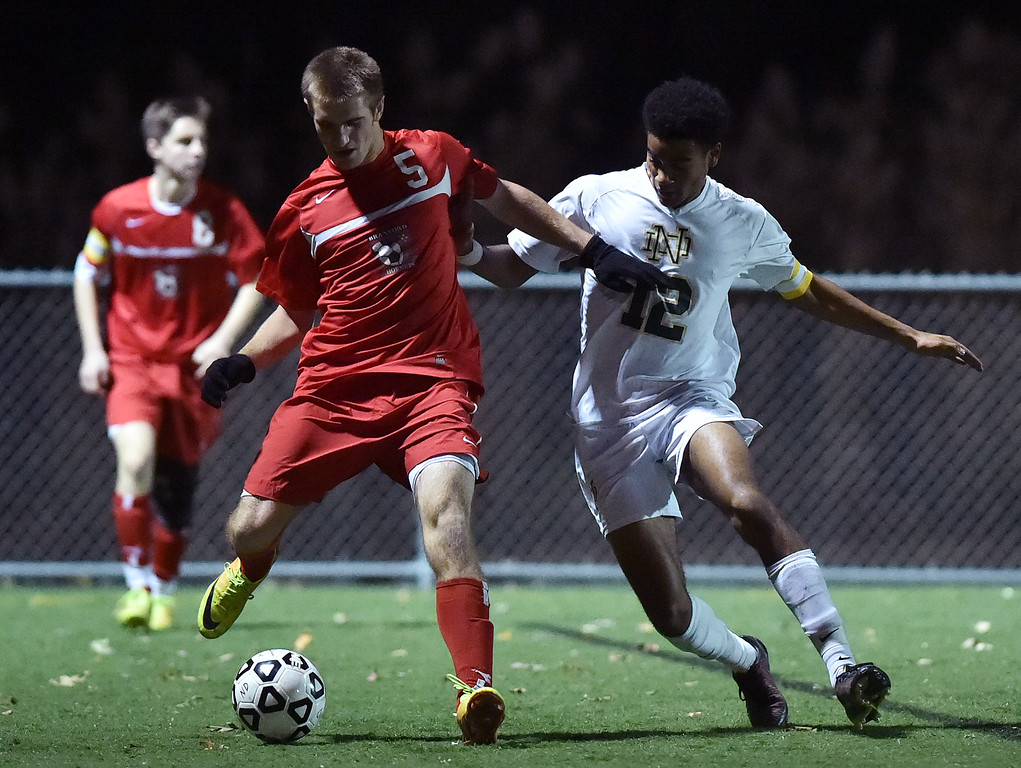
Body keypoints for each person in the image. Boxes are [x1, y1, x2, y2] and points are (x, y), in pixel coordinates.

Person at [464, 76, 984, 729]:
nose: (662, 176)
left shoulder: (741, 220)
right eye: (653, 158)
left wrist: (907, 335)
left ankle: (842, 666)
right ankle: (747, 660)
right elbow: (510, 266)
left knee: (744, 501)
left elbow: (807, 290)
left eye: (678, 164)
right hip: (607, 422)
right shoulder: (597, 197)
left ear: (714, 155)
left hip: (691, 394)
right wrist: (455, 246)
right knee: (673, 618)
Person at [194, 45, 667, 746]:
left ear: (379, 109)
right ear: (312, 116)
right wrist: (243, 363)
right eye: (328, 126)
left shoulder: (433, 157)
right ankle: (249, 568)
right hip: (334, 390)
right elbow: (296, 309)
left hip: (433, 382)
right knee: (246, 527)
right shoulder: (305, 209)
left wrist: (591, 249)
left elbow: (512, 201)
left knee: (447, 520)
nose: (343, 138)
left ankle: (476, 690)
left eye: (354, 121)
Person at [73, 96, 266, 631]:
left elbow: (256, 278)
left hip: (191, 371)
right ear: (154, 147)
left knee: (179, 483)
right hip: (134, 361)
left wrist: (222, 341)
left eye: (201, 140)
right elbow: (86, 274)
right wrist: (94, 349)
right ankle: (136, 586)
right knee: (134, 459)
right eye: (184, 140)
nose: (198, 150)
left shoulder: (223, 210)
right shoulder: (117, 209)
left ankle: (162, 588)